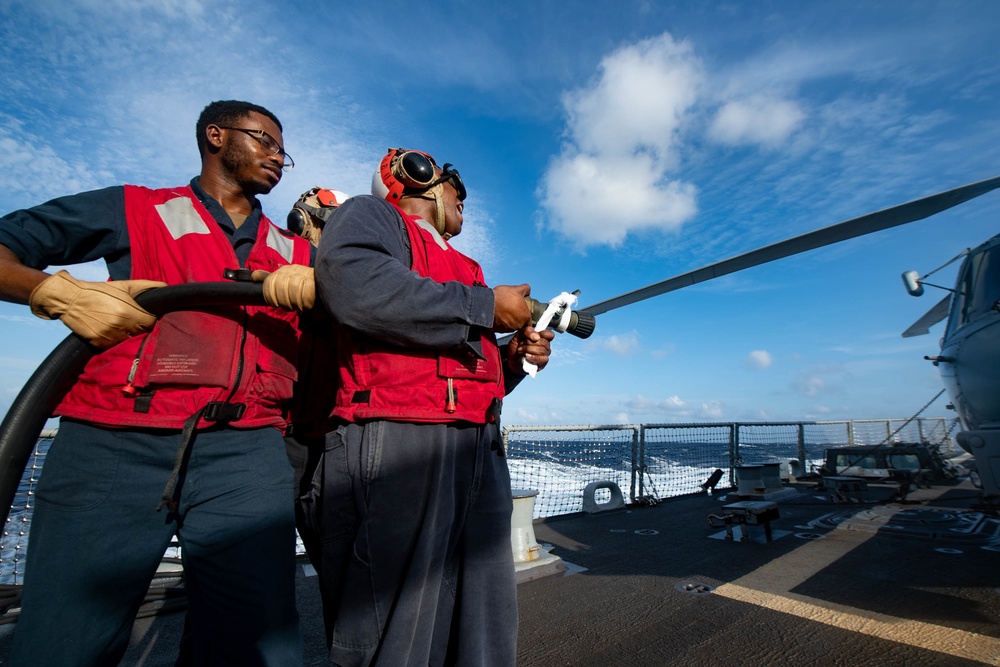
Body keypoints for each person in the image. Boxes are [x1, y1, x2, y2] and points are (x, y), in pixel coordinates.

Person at [0, 100, 315, 666]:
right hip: (114, 441)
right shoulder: (136, 209)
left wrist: (325, 287)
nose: (277, 157)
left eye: (282, 150)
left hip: (247, 450)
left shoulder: (298, 255)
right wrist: (55, 292)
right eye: (264, 141)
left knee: (264, 645)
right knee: (65, 642)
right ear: (216, 137)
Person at [312, 147, 555, 666]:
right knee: (398, 628)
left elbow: (458, 372)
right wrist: (486, 306)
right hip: (401, 443)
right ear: (415, 179)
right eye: (453, 186)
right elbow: (352, 285)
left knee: (483, 621)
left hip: (476, 448)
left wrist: (509, 362)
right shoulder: (372, 215)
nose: (462, 197)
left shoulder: (464, 266)